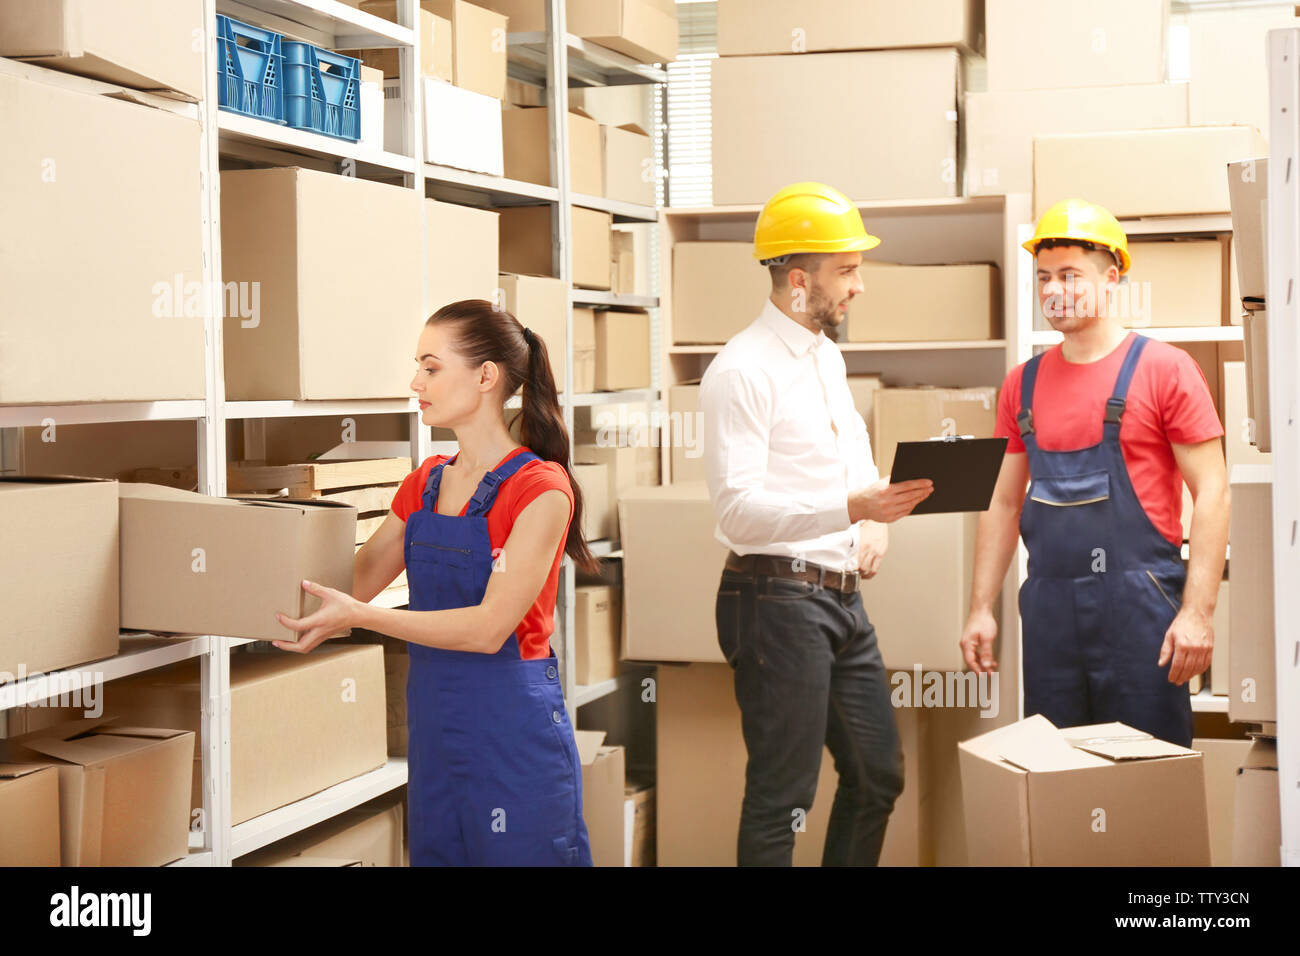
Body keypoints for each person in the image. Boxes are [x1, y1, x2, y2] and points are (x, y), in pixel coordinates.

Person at [274, 298, 600, 866]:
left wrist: (359, 617)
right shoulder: (424, 483)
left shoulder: (541, 490)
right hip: (436, 728)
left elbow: (488, 628)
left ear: (486, 377)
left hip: (512, 732)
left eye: (431, 367)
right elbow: (355, 579)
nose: (415, 382)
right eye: (417, 367)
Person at [699, 181, 934, 866]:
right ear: (800, 280)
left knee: (877, 772)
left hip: (837, 598)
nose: (859, 285)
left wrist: (875, 523)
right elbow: (736, 510)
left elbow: (853, 457)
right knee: (785, 794)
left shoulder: (825, 356)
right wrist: (850, 510)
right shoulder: (740, 372)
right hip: (772, 599)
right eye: (848, 270)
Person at [959, 199, 1229, 748]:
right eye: (1044, 278)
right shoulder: (1022, 385)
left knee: (1146, 780)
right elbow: (1004, 503)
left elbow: (1214, 491)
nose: (1055, 290)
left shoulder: (1165, 369)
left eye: (1070, 276)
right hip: (1051, 615)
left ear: (1112, 279)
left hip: (1141, 609)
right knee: (1058, 781)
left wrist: (1198, 613)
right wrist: (980, 608)